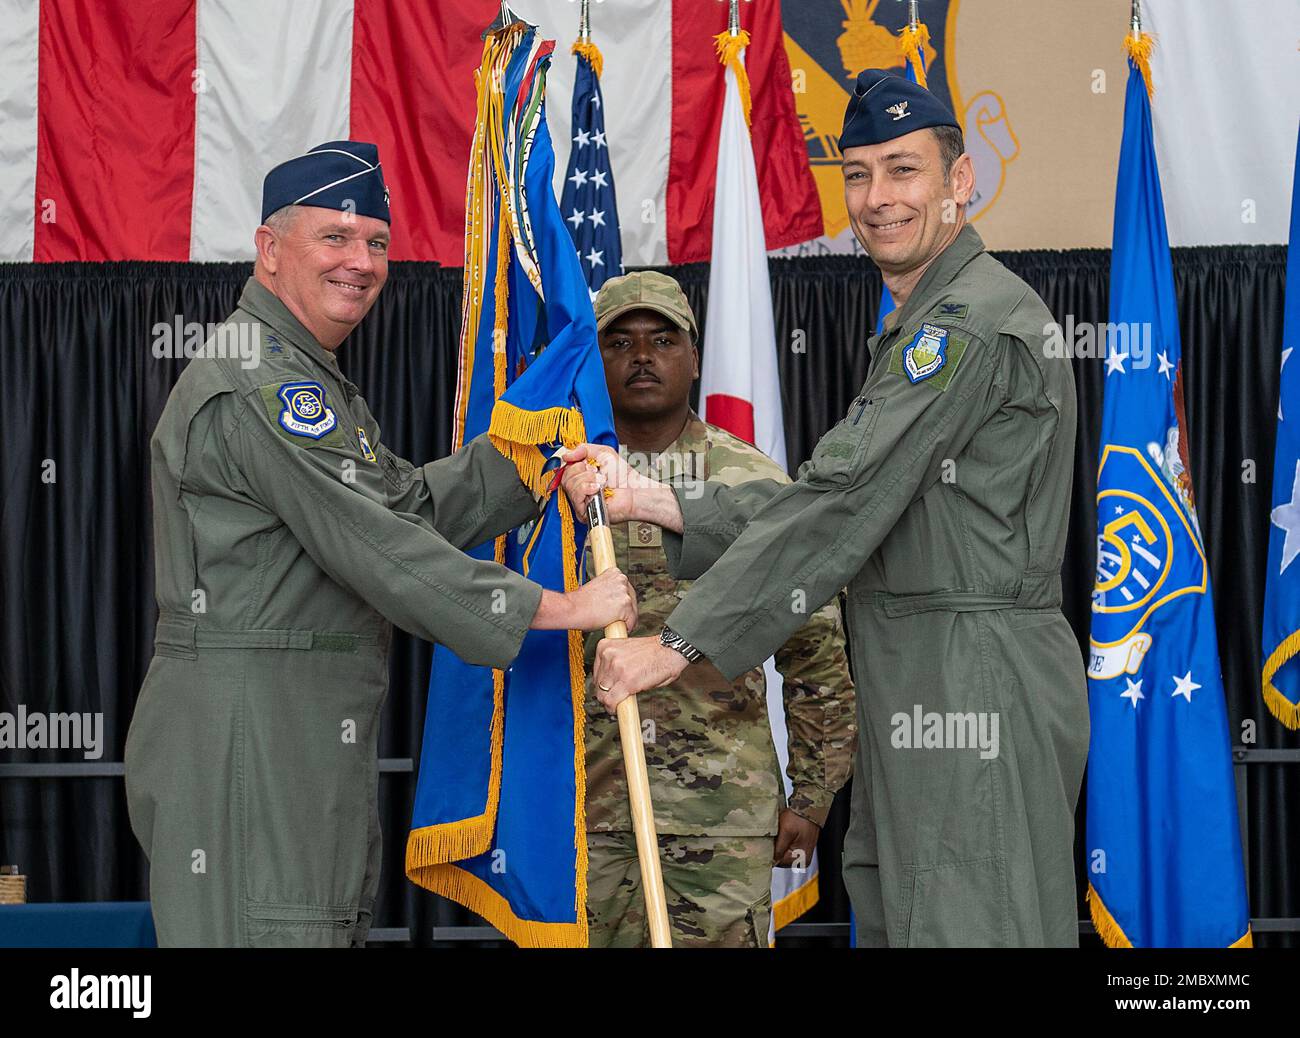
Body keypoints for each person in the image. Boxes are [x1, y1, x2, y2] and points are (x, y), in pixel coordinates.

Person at [565, 71, 1089, 947]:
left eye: (903, 170)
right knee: (909, 916)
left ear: (961, 182)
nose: (877, 198)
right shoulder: (923, 320)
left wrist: (676, 647)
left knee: (970, 922)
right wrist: (653, 498)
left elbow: (843, 503)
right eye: (857, 174)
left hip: (969, 676)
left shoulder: (963, 324)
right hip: (918, 670)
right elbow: (845, 503)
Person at [124, 141, 636, 948]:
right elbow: (376, 546)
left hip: (289, 726)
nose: (360, 262)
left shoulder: (303, 372)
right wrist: (559, 608)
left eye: (376, 243)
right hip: (251, 734)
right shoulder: (265, 383)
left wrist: (533, 453)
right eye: (334, 237)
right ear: (269, 249)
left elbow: (400, 507)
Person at [581, 272, 856, 947]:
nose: (643, 357)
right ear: (594, 360)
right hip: (581, 811)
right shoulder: (558, 482)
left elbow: (816, 653)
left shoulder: (753, 485)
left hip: (718, 814)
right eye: (620, 342)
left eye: (663, 340)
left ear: (695, 357)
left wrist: (811, 796)